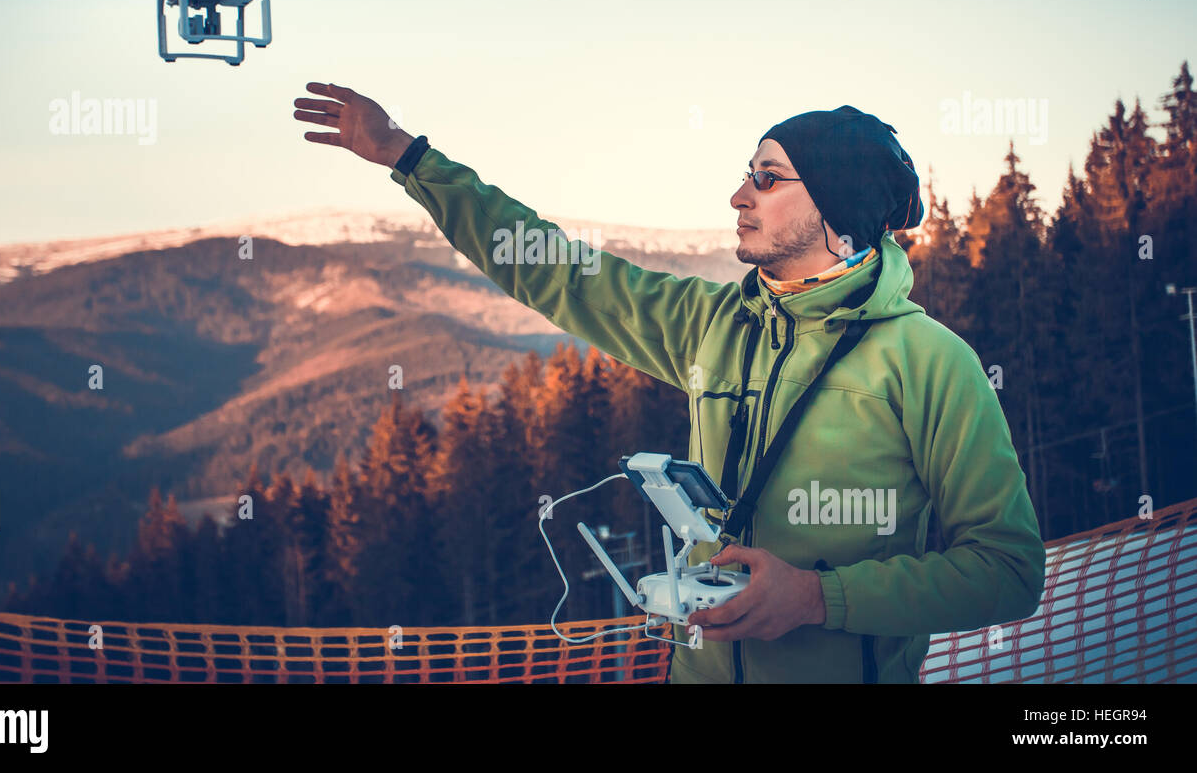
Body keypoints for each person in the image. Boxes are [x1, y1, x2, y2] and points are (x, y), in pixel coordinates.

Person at [293, 82, 1046, 683]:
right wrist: (411, 158)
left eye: (767, 178)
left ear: (837, 211)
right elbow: (553, 268)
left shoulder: (929, 362)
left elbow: (1008, 570)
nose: (738, 196)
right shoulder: (712, 324)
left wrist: (818, 600)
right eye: (746, 175)